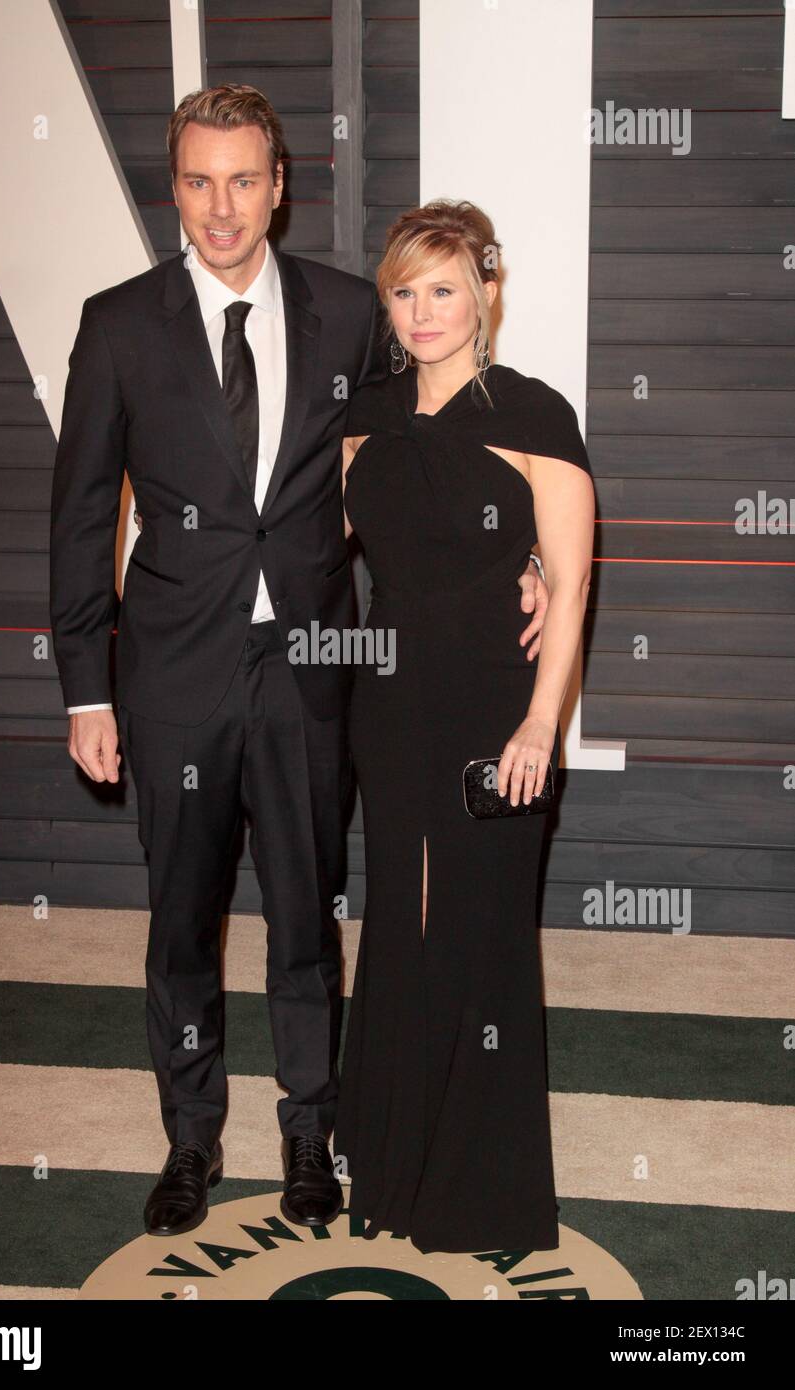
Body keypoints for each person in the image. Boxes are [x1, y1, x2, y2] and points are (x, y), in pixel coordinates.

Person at [49, 84, 550, 1239]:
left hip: (318, 666)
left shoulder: (342, 311)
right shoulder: (117, 324)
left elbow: (436, 433)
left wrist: (519, 554)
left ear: (280, 185)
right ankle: (189, 1140)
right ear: (171, 188)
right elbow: (79, 515)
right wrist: (86, 683)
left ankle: (308, 1135)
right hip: (169, 672)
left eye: (242, 180)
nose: (220, 208)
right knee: (181, 920)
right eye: (196, 181)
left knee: (306, 917)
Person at [332, 199, 595, 1254]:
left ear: (485, 291)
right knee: (400, 917)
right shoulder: (362, 416)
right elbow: (308, 553)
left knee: (482, 931)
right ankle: (390, 1161)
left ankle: (475, 1188)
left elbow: (569, 585)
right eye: (402, 290)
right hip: (388, 707)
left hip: (498, 702)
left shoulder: (535, 413)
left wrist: (541, 724)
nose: (420, 310)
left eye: (443, 288)